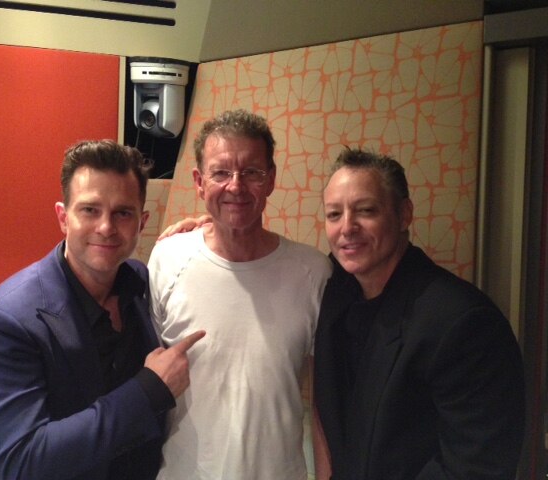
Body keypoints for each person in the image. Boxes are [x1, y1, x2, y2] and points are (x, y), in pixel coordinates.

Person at [0, 140, 205, 480]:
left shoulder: (139, 281)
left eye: (123, 213)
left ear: (141, 222)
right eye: (90, 210)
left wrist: (203, 237)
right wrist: (148, 391)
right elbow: (22, 462)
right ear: (63, 217)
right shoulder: (6, 318)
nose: (106, 227)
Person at [312, 147, 525, 480]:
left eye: (366, 210)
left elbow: (476, 469)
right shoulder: (333, 296)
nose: (347, 227)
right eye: (334, 214)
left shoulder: (464, 322)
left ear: (404, 214)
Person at [148, 109, 333, 479]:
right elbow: (145, 379)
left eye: (251, 172)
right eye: (220, 172)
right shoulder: (168, 258)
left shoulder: (313, 272)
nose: (235, 186)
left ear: (271, 179)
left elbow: (326, 401)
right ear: (199, 182)